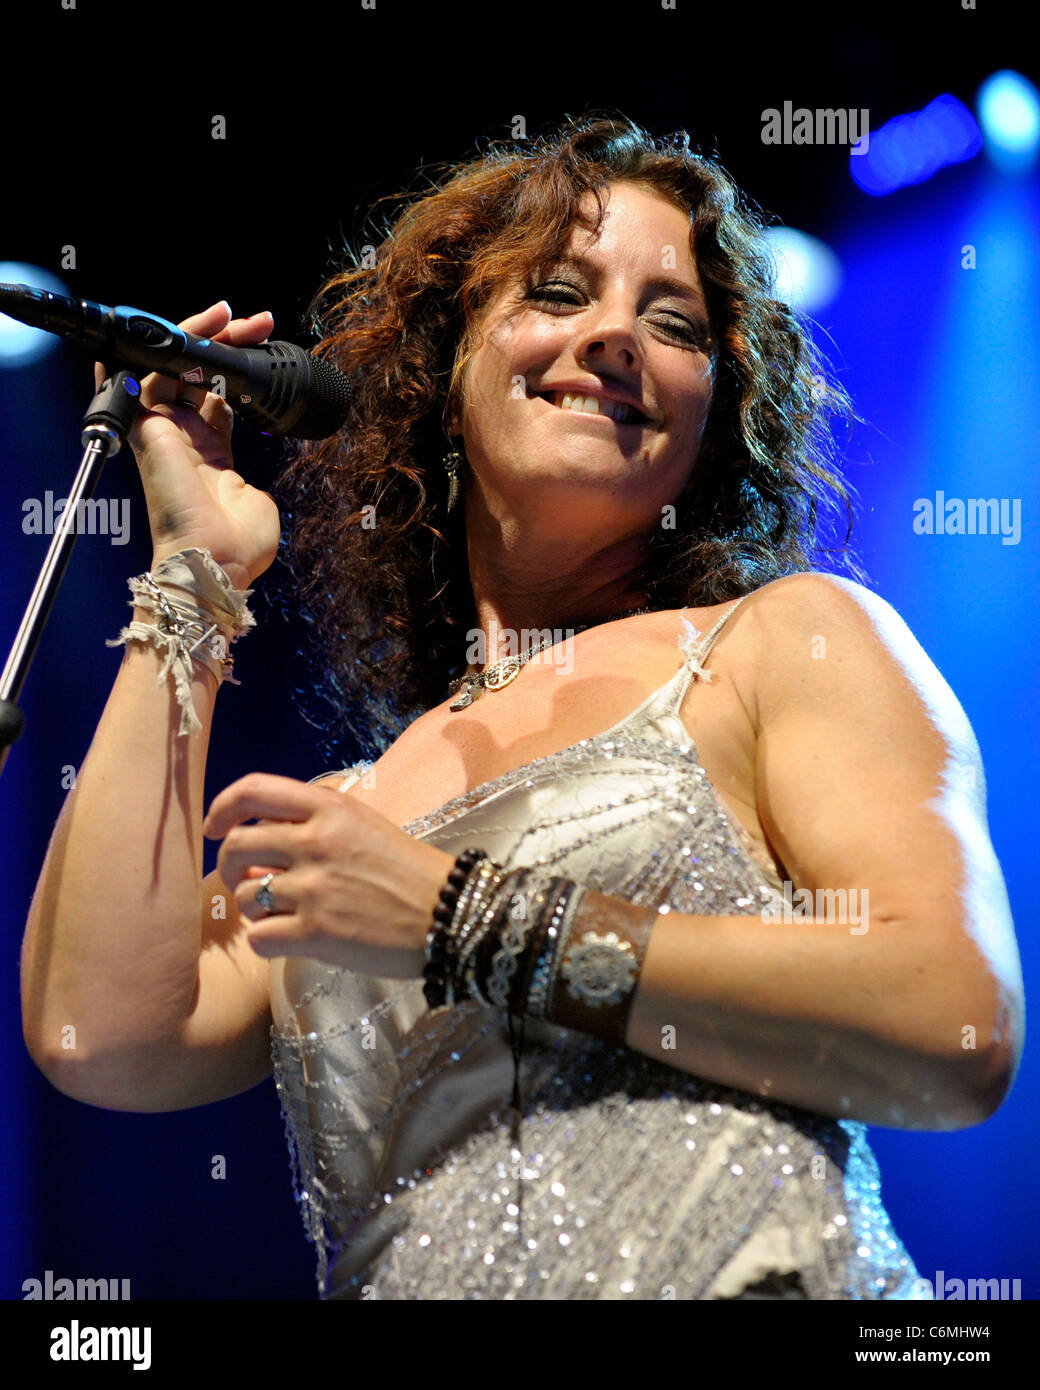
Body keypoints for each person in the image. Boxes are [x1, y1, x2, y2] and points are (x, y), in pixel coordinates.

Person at [21, 115, 1024, 1302]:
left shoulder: (786, 642)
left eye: (673, 323)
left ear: (708, 420)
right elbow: (103, 1031)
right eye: (558, 290)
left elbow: (952, 1020)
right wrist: (193, 570)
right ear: (444, 372)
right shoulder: (349, 819)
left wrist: (463, 920)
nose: (615, 335)